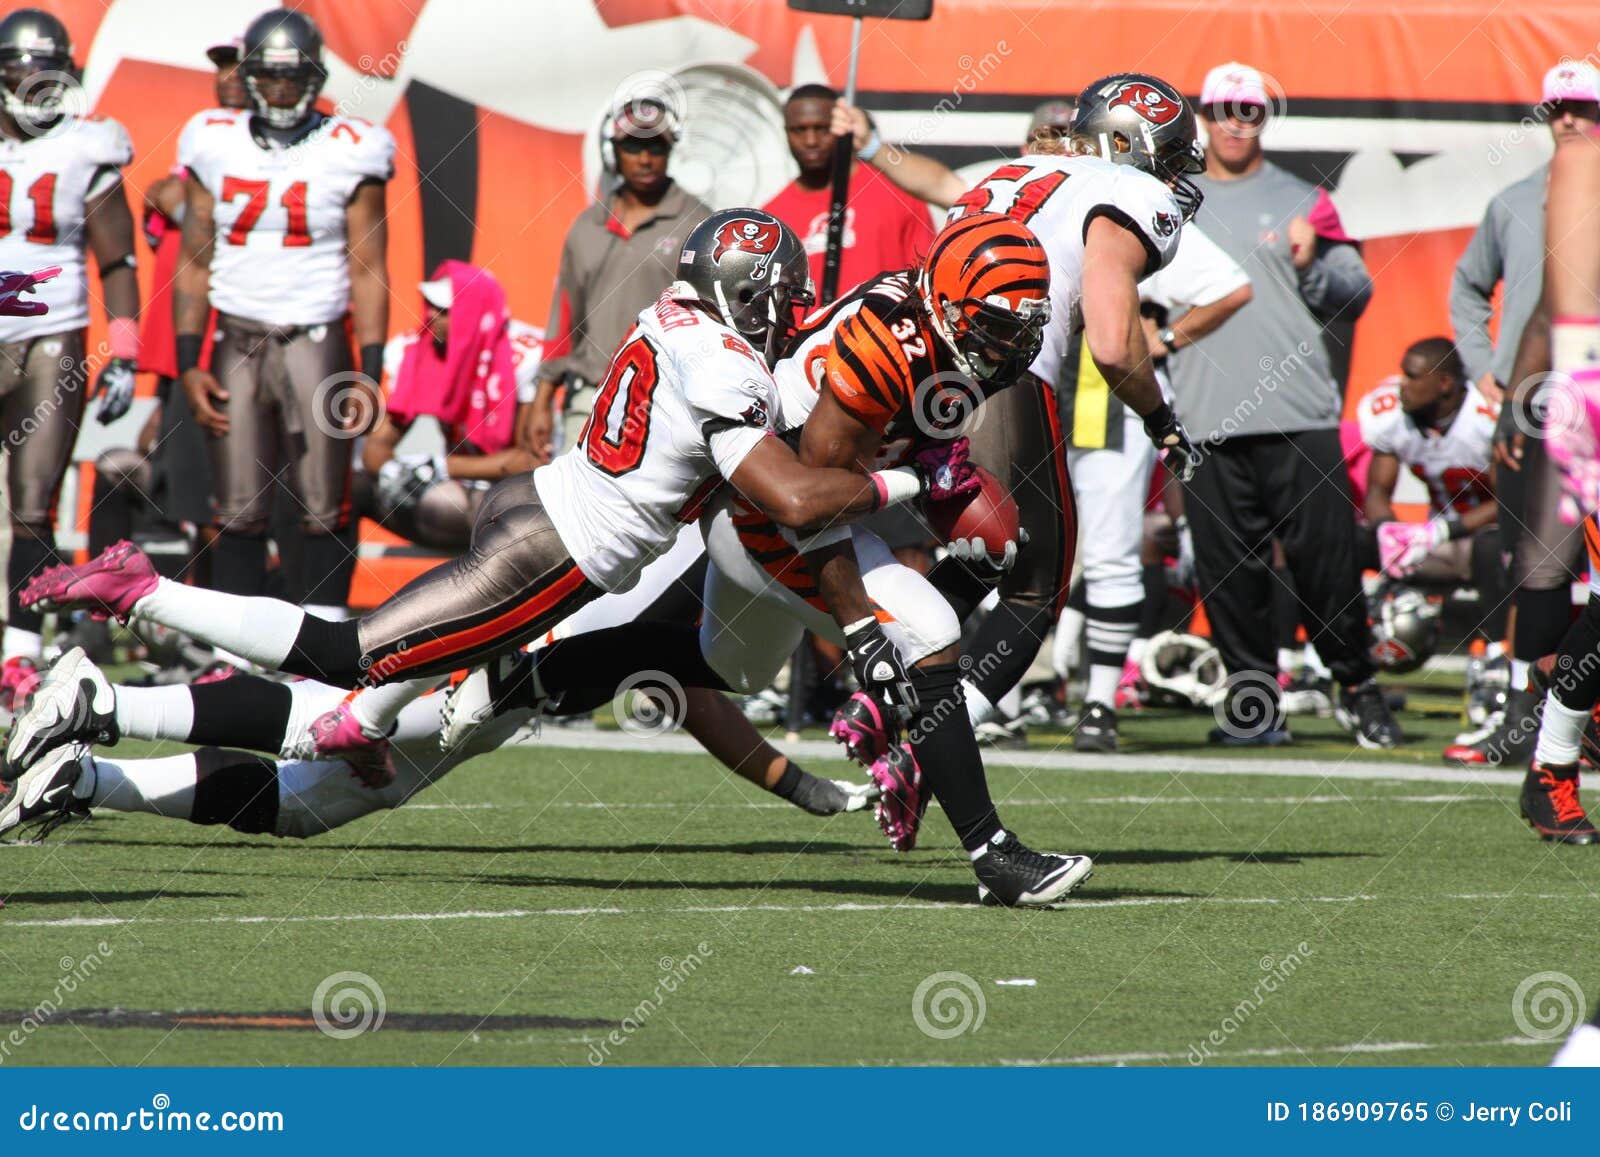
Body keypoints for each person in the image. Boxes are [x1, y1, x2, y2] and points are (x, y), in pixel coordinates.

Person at [22, 211, 971, 765]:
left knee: (399, 682)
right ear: (751, 292)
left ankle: (365, 717)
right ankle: (143, 590)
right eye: (781, 294)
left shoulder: (674, 317)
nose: (790, 313)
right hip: (555, 551)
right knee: (351, 651)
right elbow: (796, 502)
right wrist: (902, 480)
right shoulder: (732, 367)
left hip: (535, 498)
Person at [832, 77, 1224, 751]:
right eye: (1164, 156)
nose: (1169, 175)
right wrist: (1163, 422)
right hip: (1002, 371)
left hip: (912, 368)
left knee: (985, 552)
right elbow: (1112, 342)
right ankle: (934, 737)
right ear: (1124, 144)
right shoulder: (1126, 190)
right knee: (1037, 585)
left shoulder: (1015, 171)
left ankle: (880, 691)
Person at [0, 643, 876, 840]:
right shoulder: (660, 541)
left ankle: (89, 775)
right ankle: (104, 698)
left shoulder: (680, 609)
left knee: (307, 805)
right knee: (329, 724)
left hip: (490, 698)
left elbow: (697, 695)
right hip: (478, 663)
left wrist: (806, 789)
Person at [1170, 61, 1395, 748]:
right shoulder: (1169, 201)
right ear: (1203, 115)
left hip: (1299, 414)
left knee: (1326, 566)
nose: (1236, 123)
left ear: (1266, 118)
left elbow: (1356, 294)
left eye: (1250, 111)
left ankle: (1356, 687)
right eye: (1224, 110)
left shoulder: (1306, 198)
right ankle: (1252, 705)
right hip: (1206, 416)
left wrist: (1314, 266)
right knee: (1228, 573)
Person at [175, 7, 394, 621]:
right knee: (237, 508)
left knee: (326, 504)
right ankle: (238, 657)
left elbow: (370, 268)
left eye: (292, 76)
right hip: (236, 336)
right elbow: (193, 261)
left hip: (315, 337)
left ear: (315, 77)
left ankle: (321, 654)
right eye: (268, 77)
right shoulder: (212, 139)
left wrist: (371, 368)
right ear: (247, 78)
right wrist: (190, 362)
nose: (280, 89)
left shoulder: (351, 146)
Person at [1451, 61, 1600, 766]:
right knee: (1539, 569)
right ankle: (1531, 718)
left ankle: (1559, 715)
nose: (1570, 118)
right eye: (1559, 106)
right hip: (1557, 404)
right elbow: (1492, 294)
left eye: (1584, 106)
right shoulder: (1517, 198)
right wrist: (1503, 388)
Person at [0, 8, 141, 709]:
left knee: (32, 504)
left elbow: (117, 256)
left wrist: (124, 351)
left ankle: (17, 657)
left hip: (51, 338)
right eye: (28, 70)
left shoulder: (89, 145)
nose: (41, 86)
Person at [86, 41, 250, 583]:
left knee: (228, 509)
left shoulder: (265, 158)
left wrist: (184, 198)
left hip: (237, 351)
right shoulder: (203, 140)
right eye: (222, 67)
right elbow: (162, 195)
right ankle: (187, 634)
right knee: (194, 506)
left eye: (240, 67)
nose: (227, 77)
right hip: (187, 358)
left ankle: (243, 639)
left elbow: (181, 201)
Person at [523, 95, 709, 463]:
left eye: (656, 146)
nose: (645, 158)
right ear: (613, 152)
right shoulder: (587, 226)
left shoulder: (698, 222)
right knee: (570, 511)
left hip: (668, 402)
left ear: (671, 149)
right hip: (590, 398)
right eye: (633, 146)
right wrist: (542, 400)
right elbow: (565, 319)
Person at [356, 263, 543, 551]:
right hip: (459, 497)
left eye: (444, 310)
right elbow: (375, 449)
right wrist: (395, 469)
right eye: (430, 306)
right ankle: (318, 595)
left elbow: (530, 461)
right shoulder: (419, 351)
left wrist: (441, 466)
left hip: (520, 504)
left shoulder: (521, 355)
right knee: (353, 489)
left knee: (499, 506)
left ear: (474, 313)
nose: (431, 316)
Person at [1356, 340, 1505, 647]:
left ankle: (1498, 654)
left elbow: (1511, 502)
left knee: (1490, 545)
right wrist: (1389, 531)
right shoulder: (1393, 418)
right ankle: (1339, 661)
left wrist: (1443, 530)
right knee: (1347, 542)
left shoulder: (1486, 418)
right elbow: (1377, 490)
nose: (1402, 386)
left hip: (1487, 540)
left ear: (1445, 383)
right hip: (1435, 543)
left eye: (1412, 377)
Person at [764, 84, 935, 299]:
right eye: (799, 130)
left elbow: (926, 282)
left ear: (841, 127)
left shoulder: (898, 190)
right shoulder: (771, 219)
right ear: (786, 132)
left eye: (822, 128)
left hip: (882, 330)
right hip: (808, 333)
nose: (811, 141)